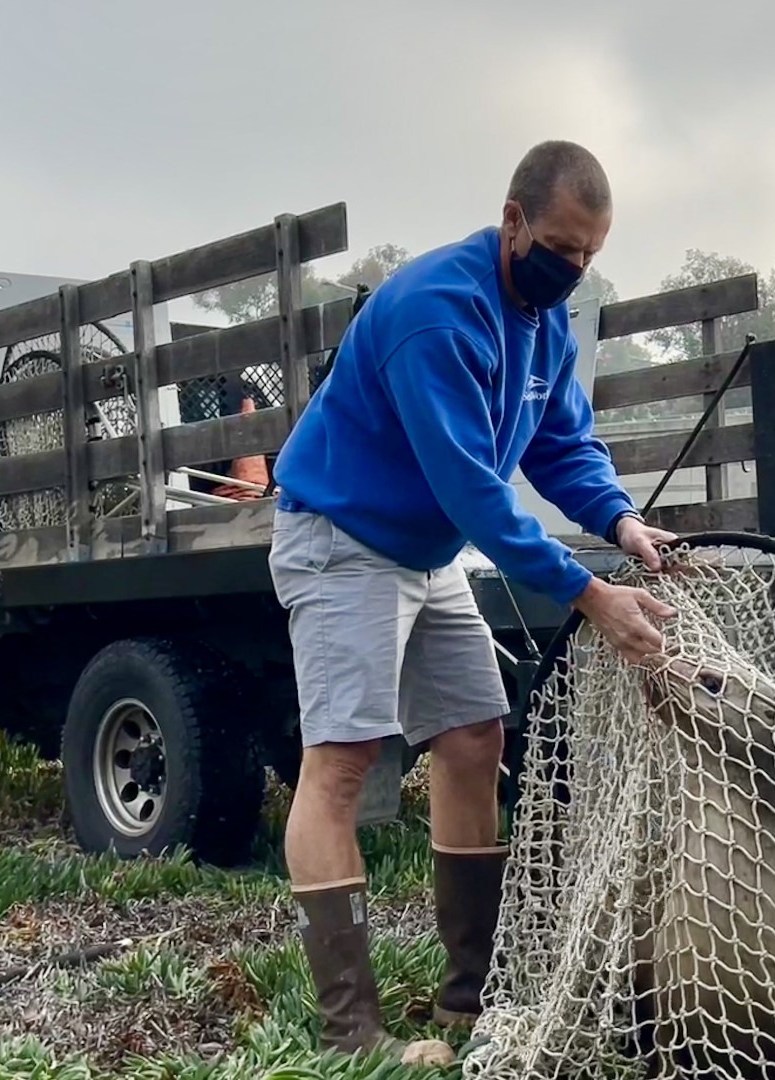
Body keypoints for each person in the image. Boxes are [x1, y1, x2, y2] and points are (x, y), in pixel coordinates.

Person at [267, 139, 678, 1061]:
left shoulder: (544, 323)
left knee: (472, 737)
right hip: (343, 538)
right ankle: (353, 1034)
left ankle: (469, 999)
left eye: (589, 256)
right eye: (561, 247)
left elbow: (560, 444)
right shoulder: (434, 314)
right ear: (513, 221)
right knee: (342, 762)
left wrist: (622, 526)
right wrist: (586, 595)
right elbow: (472, 490)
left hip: (426, 551)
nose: (571, 270)